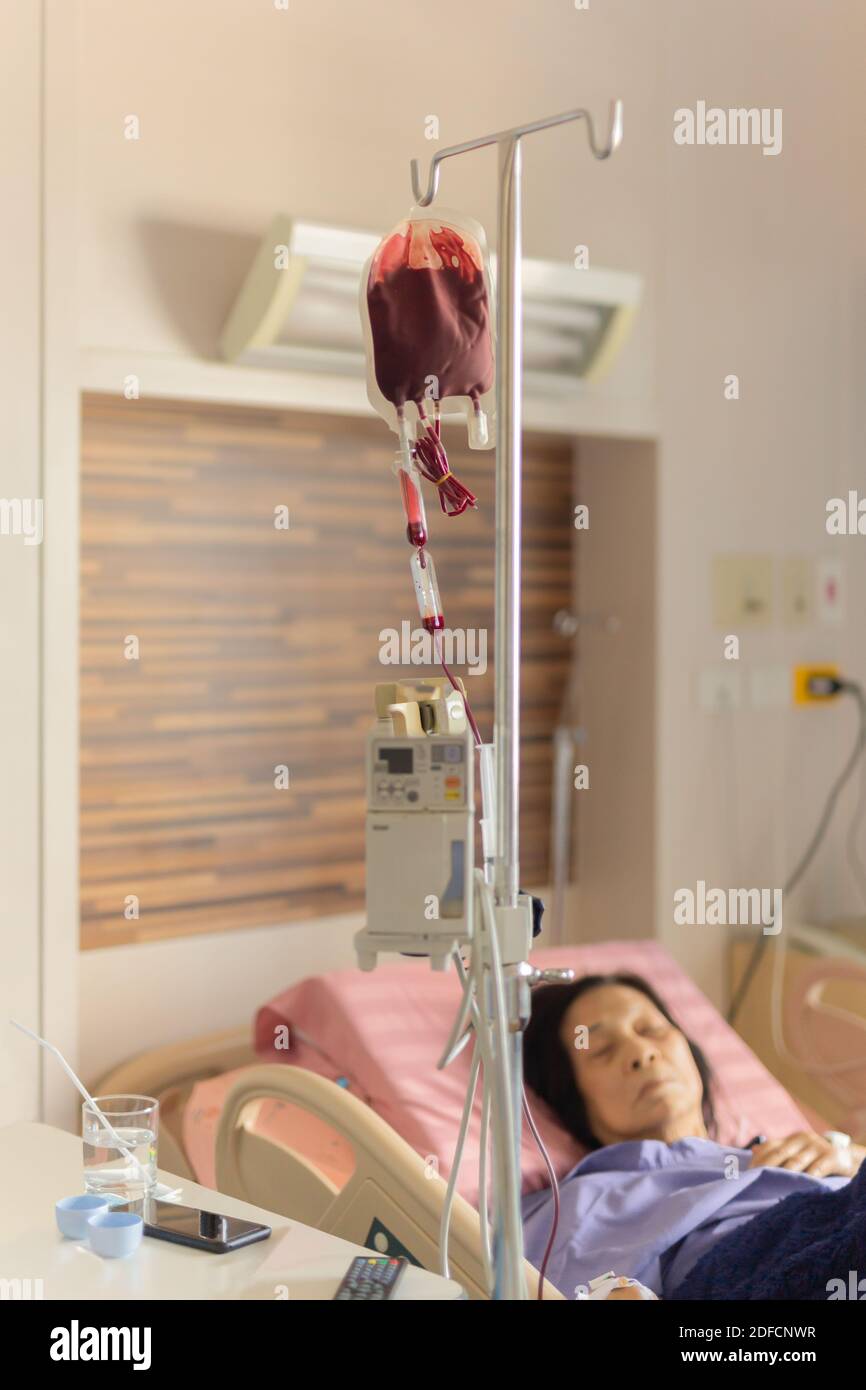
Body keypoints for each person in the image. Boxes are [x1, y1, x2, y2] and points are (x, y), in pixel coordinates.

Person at [521, 973, 865, 1300]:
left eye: (651, 1029)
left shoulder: (784, 1152)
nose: (641, 1053)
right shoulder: (581, 1201)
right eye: (602, 1050)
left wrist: (852, 1157)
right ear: (571, 1093)